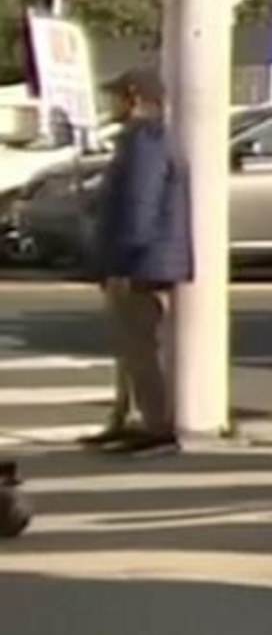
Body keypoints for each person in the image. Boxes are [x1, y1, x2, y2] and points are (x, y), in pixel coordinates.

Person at [82, 67, 188, 459]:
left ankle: (157, 429)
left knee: (140, 346)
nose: (109, 105)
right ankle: (128, 419)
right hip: (138, 259)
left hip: (141, 262)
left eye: (114, 97)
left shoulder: (145, 140)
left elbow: (140, 207)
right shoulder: (142, 139)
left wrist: (125, 263)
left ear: (135, 98)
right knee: (130, 346)